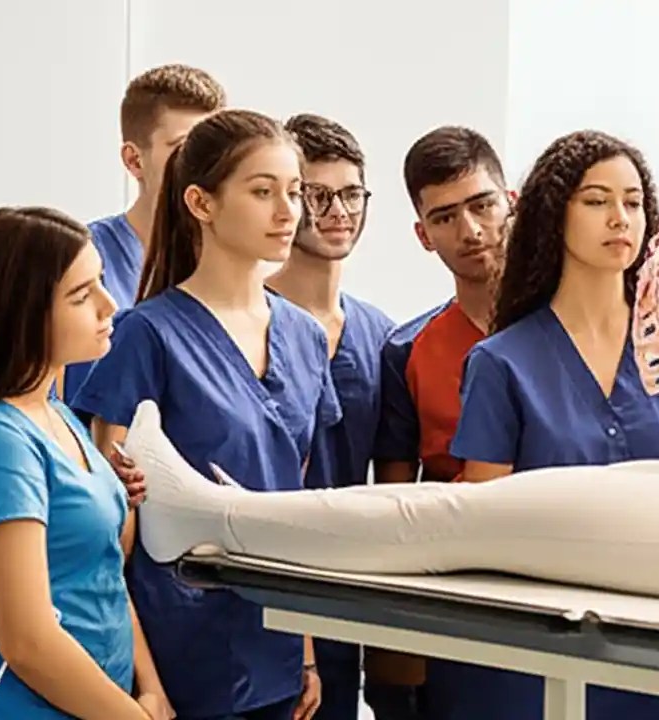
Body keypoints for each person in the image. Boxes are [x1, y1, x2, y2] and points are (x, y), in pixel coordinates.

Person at [71, 109, 342, 720]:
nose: (288, 212)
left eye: (295, 193)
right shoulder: (148, 336)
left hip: (275, 643)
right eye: (262, 191)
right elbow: (108, 538)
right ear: (201, 202)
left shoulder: (302, 336)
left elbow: (295, 499)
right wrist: (145, 681)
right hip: (176, 652)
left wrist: (304, 651)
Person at [443, 130, 659, 720]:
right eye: (596, 200)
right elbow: (486, 525)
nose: (620, 218)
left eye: (633, 202)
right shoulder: (501, 363)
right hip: (539, 650)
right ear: (553, 215)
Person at [0, 207, 171, 718]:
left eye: (102, 282)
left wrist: (151, 689)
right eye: (82, 296)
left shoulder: (58, 417)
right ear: (21, 312)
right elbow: (29, 642)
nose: (110, 305)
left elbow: (103, 571)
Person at [366, 125, 512, 719]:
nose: (471, 231)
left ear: (514, 203)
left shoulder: (571, 336)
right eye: (447, 217)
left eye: (482, 206)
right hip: (458, 601)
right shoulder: (408, 351)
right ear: (424, 235)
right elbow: (396, 504)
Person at [266, 113, 395, 720]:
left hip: (346, 589)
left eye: (351, 194)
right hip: (264, 582)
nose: (338, 210)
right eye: (317, 195)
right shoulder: (250, 324)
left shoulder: (382, 335)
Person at [59, 63, 226, 406]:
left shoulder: (238, 265)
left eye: (220, 151)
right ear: (134, 160)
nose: (208, 168)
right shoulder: (83, 261)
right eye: (183, 149)